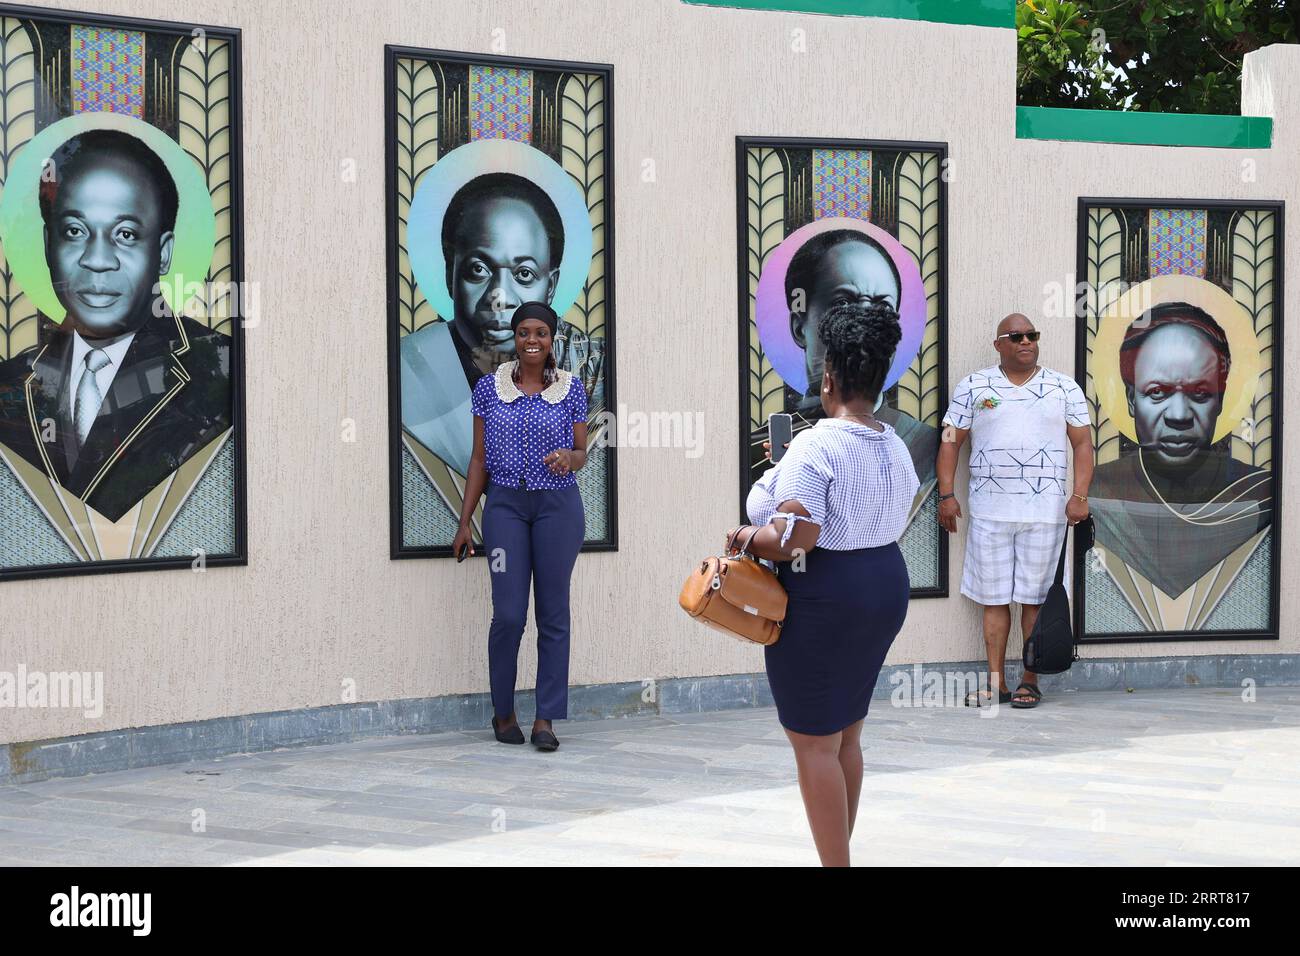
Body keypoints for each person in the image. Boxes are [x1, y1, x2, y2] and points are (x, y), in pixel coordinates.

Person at [735, 300, 919, 867]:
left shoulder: (816, 443)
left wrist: (742, 537)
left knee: (813, 741)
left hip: (826, 595)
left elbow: (794, 537)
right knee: (846, 736)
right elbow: (877, 505)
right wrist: (783, 469)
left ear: (829, 376)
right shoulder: (889, 441)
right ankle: (839, 855)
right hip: (884, 583)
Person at [0, 128, 230, 522]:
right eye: (75, 231)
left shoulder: (224, 370)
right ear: (47, 243)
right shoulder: (11, 381)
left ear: (163, 253)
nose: (98, 259)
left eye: (125, 235)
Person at [936, 313, 1093, 709]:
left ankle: (1029, 679)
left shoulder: (1063, 387)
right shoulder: (974, 386)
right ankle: (995, 683)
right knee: (993, 599)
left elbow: (1083, 445)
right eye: (1017, 336)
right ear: (999, 345)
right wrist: (946, 494)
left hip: (1046, 514)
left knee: (1034, 600)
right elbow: (951, 441)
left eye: (1032, 335)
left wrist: (1079, 495)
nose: (1026, 342)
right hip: (990, 513)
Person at [453, 301, 587, 752]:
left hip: (557, 508)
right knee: (509, 615)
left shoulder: (571, 389)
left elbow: (582, 452)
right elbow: (477, 460)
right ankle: (504, 711)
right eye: (525, 332)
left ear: (552, 339)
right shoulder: (490, 389)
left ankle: (545, 718)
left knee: (553, 613)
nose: (533, 340)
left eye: (542, 333)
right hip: (505, 507)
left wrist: (570, 458)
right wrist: (465, 521)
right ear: (515, 336)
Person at [400, 171, 598, 477]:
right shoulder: (408, 366)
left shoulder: (591, 368)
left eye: (524, 274)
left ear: (552, 285)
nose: (500, 296)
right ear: (450, 275)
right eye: (478, 269)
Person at [1089, 301, 1270, 598]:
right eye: (1157, 393)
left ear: (1221, 401)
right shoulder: (1098, 489)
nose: (1179, 414)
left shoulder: (1257, 491)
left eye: (1200, 394)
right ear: (1132, 400)